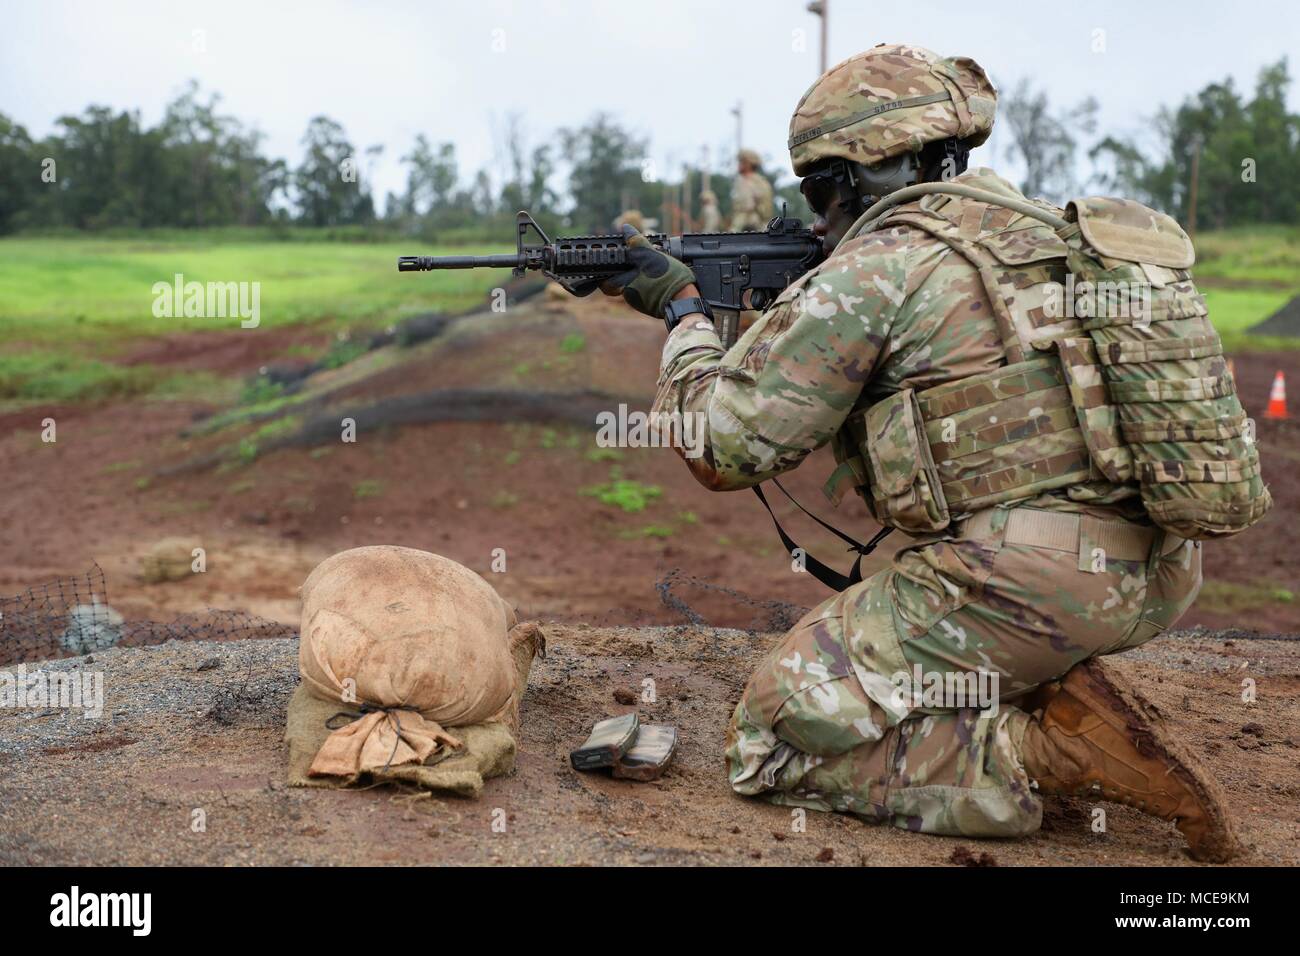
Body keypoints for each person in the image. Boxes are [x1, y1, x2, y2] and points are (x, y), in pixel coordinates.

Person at [572, 43, 1271, 862]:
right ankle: (1033, 679)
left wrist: (684, 312)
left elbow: (723, 444)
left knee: (771, 736)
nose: (819, 214)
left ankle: (1041, 757)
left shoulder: (882, 267)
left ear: (869, 173)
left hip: (1038, 588)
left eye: (822, 188)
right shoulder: (1050, 235)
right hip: (1157, 573)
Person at [729, 149, 774, 231]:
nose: (739, 165)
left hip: (756, 222)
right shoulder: (739, 181)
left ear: (748, 163)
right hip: (739, 221)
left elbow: (766, 209)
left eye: (741, 162)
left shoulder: (760, 182)